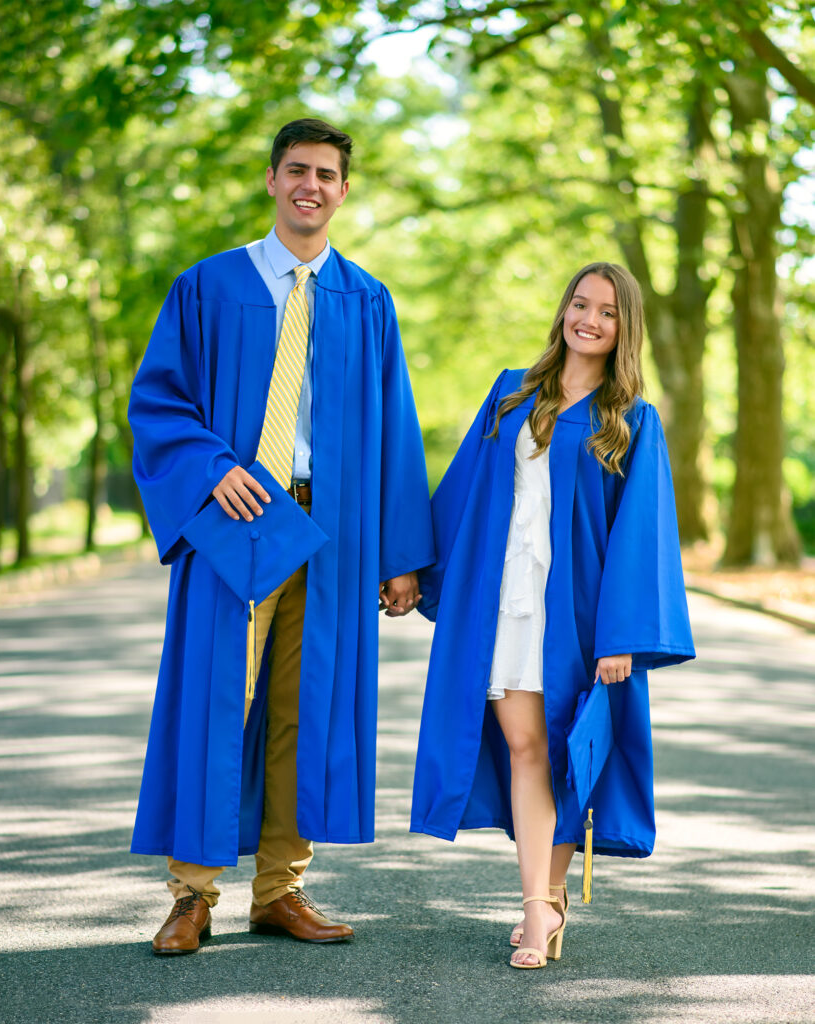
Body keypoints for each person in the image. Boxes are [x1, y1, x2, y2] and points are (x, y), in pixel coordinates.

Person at [128, 118, 434, 955]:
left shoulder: (366, 301)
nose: (310, 185)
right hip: (237, 519)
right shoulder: (207, 286)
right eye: (295, 170)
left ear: (343, 190)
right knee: (220, 701)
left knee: (305, 709)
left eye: (326, 174)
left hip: (329, 534)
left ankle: (280, 890)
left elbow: (393, 429)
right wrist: (206, 466)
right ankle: (192, 895)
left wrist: (401, 553)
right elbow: (158, 403)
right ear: (271, 181)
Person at [410, 263, 695, 969]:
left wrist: (621, 634)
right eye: (579, 304)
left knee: (563, 753)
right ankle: (541, 904)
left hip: (574, 612)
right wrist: (415, 571)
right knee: (524, 748)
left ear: (623, 327)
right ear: (562, 310)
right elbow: (462, 495)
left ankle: (544, 902)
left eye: (606, 311)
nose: (588, 319)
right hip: (504, 602)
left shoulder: (630, 420)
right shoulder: (511, 395)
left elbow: (641, 529)